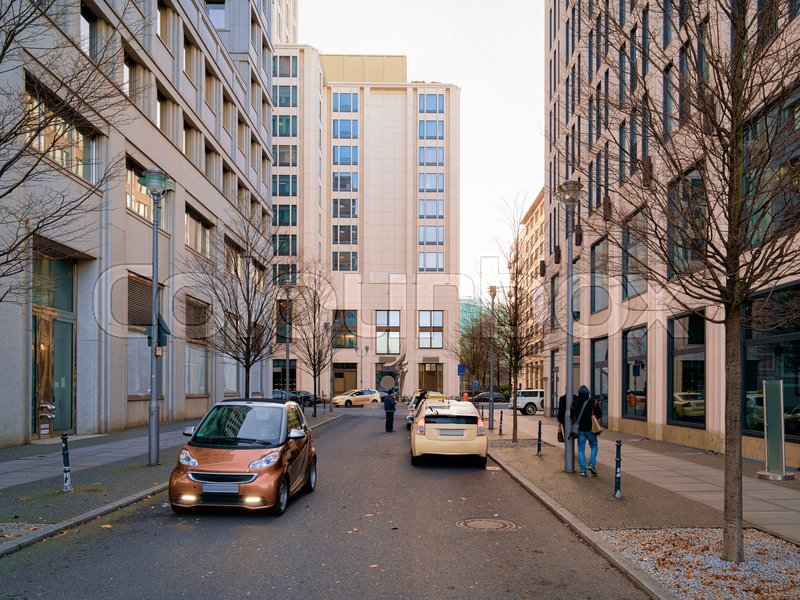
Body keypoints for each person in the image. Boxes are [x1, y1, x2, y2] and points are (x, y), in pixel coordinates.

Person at [570, 385, 602, 477]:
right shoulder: (593, 402)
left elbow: (572, 417)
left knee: (581, 449)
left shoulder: (574, 403)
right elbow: (599, 414)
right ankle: (591, 464)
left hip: (580, 430)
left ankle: (583, 470)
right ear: (588, 393)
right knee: (594, 446)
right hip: (591, 429)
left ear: (579, 393)